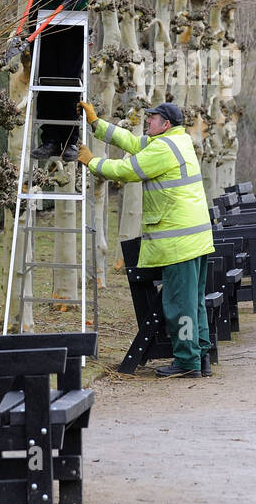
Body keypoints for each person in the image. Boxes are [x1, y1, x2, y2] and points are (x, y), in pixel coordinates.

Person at [76, 100, 215, 378]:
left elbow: (128, 171)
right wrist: (96, 124)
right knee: (194, 301)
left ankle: (188, 363)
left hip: (180, 244)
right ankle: (201, 356)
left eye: (152, 118)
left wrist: (93, 162)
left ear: (165, 124)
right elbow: (130, 141)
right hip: (195, 240)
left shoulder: (163, 149)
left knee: (180, 305)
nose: (147, 121)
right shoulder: (178, 141)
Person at [8, 0, 120, 161]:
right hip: (42, 14)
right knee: (45, 77)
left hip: (73, 18)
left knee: (69, 79)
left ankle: (70, 140)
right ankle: (48, 139)